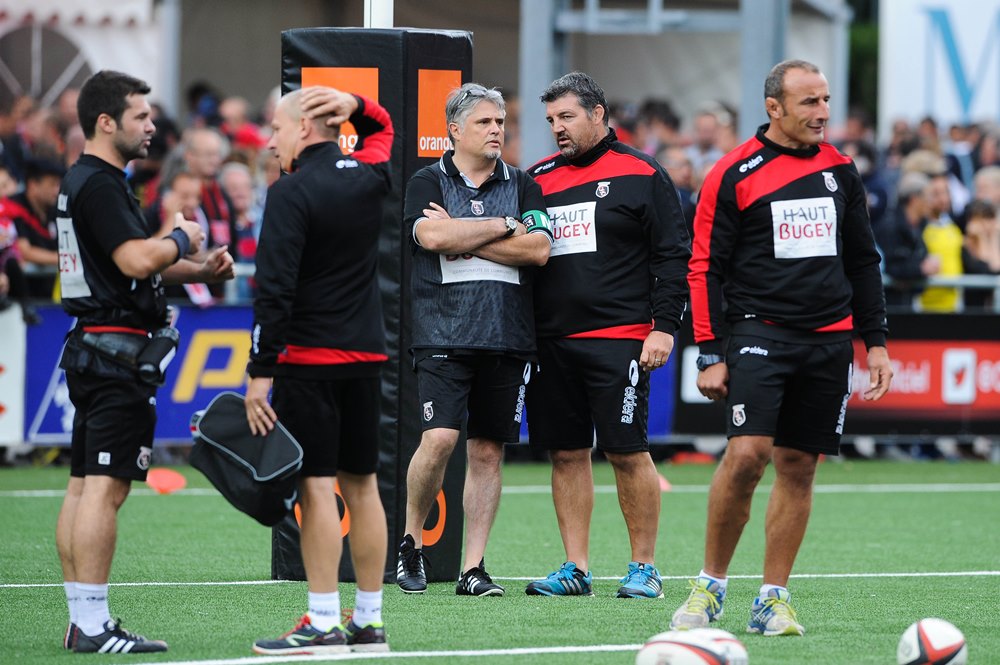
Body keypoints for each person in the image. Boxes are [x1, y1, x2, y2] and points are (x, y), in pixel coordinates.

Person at [673, 59, 893, 636]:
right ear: (774, 108)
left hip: (827, 342)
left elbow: (864, 261)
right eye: (809, 103)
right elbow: (704, 267)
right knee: (747, 455)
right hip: (758, 333)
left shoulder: (841, 170)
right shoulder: (732, 172)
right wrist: (709, 351)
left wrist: (876, 343)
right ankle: (709, 586)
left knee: (799, 465)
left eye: (825, 100)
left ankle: (773, 598)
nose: (823, 113)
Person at [54, 69, 234, 654]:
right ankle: (93, 624)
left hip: (94, 348)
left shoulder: (89, 179)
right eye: (141, 116)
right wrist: (182, 237)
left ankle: (83, 618)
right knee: (104, 490)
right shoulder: (101, 184)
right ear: (107, 123)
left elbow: (124, 263)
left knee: (84, 488)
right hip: (114, 356)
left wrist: (196, 269)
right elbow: (134, 261)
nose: (152, 126)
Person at [524, 72, 690, 599]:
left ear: (598, 113)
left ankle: (644, 567)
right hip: (551, 341)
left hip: (620, 338)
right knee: (566, 453)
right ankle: (576, 568)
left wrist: (664, 327)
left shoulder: (643, 173)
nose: (558, 129)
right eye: (551, 120)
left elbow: (673, 256)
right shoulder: (536, 178)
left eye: (567, 117)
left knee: (626, 450)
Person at [245, 85, 394, 654]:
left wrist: (261, 368)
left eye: (278, 129)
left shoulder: (291, 191)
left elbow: (274, 290)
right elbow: (383, 131)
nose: (272, 139)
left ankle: (325, 621)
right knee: (363, 488)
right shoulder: (367, 175)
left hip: (310, 361)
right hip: (366, 356)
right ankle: (371, 622)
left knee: (317, 488)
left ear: (305, 130)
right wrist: (354, 103)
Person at [396, 83, 552, 597]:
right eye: (485, 122)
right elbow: (433, 239)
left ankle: (473, 567)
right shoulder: (426, 181)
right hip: (442, 331)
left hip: (507, 336)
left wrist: (470, 232)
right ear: (454, 129)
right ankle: (411, 544)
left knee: (487, 453)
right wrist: (505, 227)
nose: (496, 131)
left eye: (501, 122)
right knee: (439, 439)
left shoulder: (525, 184)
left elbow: (538, 251)